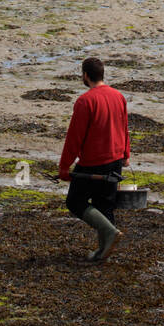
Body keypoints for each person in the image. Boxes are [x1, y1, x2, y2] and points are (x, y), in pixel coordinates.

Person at [59, 57, 130, 262]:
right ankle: (103, 253)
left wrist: (64, 167)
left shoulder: (85, 101)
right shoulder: (118, 96)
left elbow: (74, 138)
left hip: (92, 163)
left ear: (85, 76)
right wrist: (126, 154)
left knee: (74, 201)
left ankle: (109, 233)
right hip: (115, 159)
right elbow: (124, 126)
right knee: (105, 206)